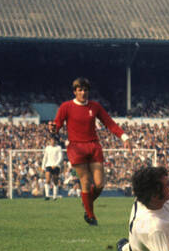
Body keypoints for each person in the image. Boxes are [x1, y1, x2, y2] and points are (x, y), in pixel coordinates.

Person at [50, 77, 131, 225]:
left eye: (85, 90)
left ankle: (86, 201)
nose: (83, 92)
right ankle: (91, 215)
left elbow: (109, 123)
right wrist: (53, 128)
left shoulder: (95, 106)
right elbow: (57, 124)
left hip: (93, 146)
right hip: (76, 147)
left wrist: (124, 137)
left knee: (100, 184)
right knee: (85, 182)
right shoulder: (66, 107)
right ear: (75, 92)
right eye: (80, 90)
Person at [40, 131, 65, 201]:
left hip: (56, 166)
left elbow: (60, 158)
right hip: (48, 165)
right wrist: (42, 167)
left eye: (53, 140)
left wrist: (56, 164)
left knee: (55, 180)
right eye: (51, 140)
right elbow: (45, 158)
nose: (52, 142)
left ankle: (55, 196)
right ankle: (47, 195)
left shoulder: (58, 148)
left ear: (55, 141)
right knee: (47, 179)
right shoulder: (47, 148)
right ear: (50, 141)